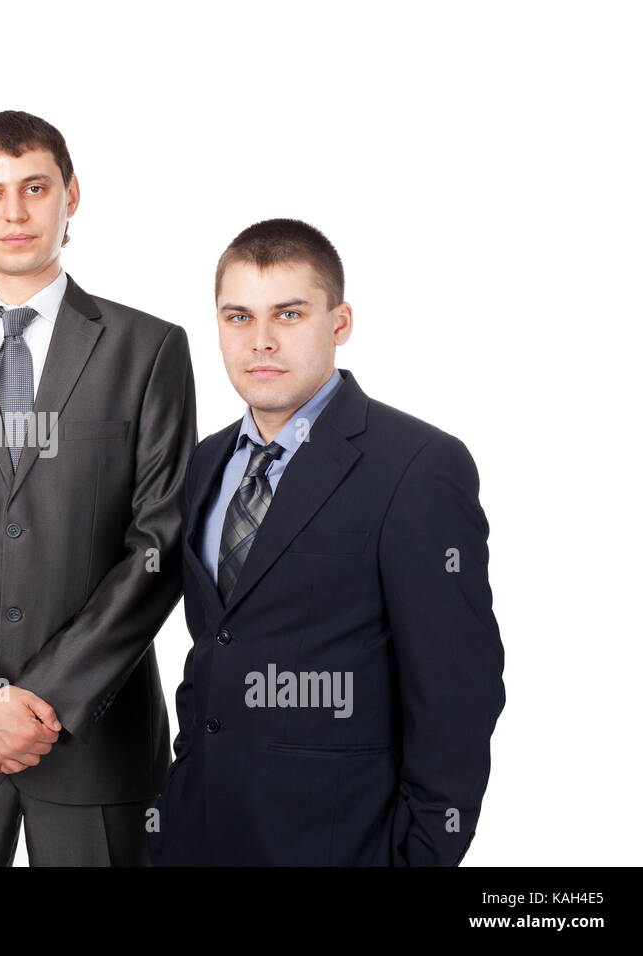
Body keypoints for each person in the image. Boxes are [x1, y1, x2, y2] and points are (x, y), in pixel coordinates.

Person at [0, 110, 197, 866]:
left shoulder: (149, 350)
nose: (14, 212)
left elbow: (161, 542)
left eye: (34, 188)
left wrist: (46, 697)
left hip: (98, 743)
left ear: (71, 195)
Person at [150, 218, 505, 866]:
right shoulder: (205, 463)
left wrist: (420, 856)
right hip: (199, 834)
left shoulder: (417, 465)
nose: (260, 342)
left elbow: (458, 695)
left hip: (343, 844)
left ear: (339, 323)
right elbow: (216, 651)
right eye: (238, 317)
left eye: (289, 314)